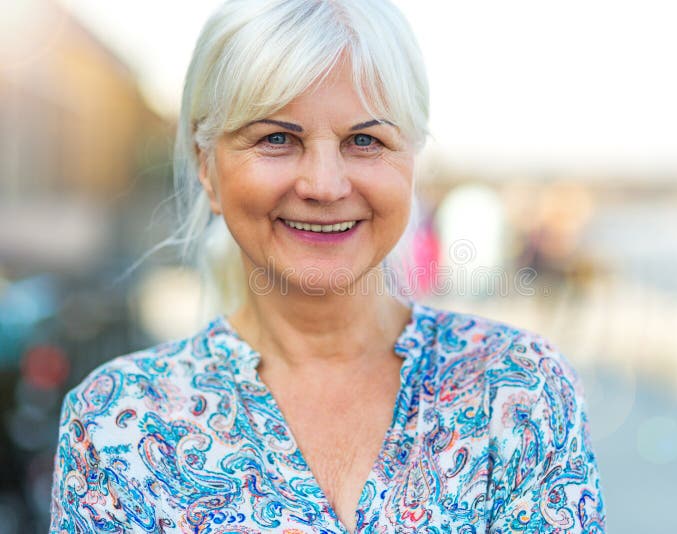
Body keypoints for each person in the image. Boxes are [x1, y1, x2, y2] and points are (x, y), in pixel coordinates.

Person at [49, 0, 606, 532]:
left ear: (412, 160)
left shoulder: (517, 391)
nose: (324, 185)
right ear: (206, 167)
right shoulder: (115, 426)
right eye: (276, 138)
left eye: (364, 140)